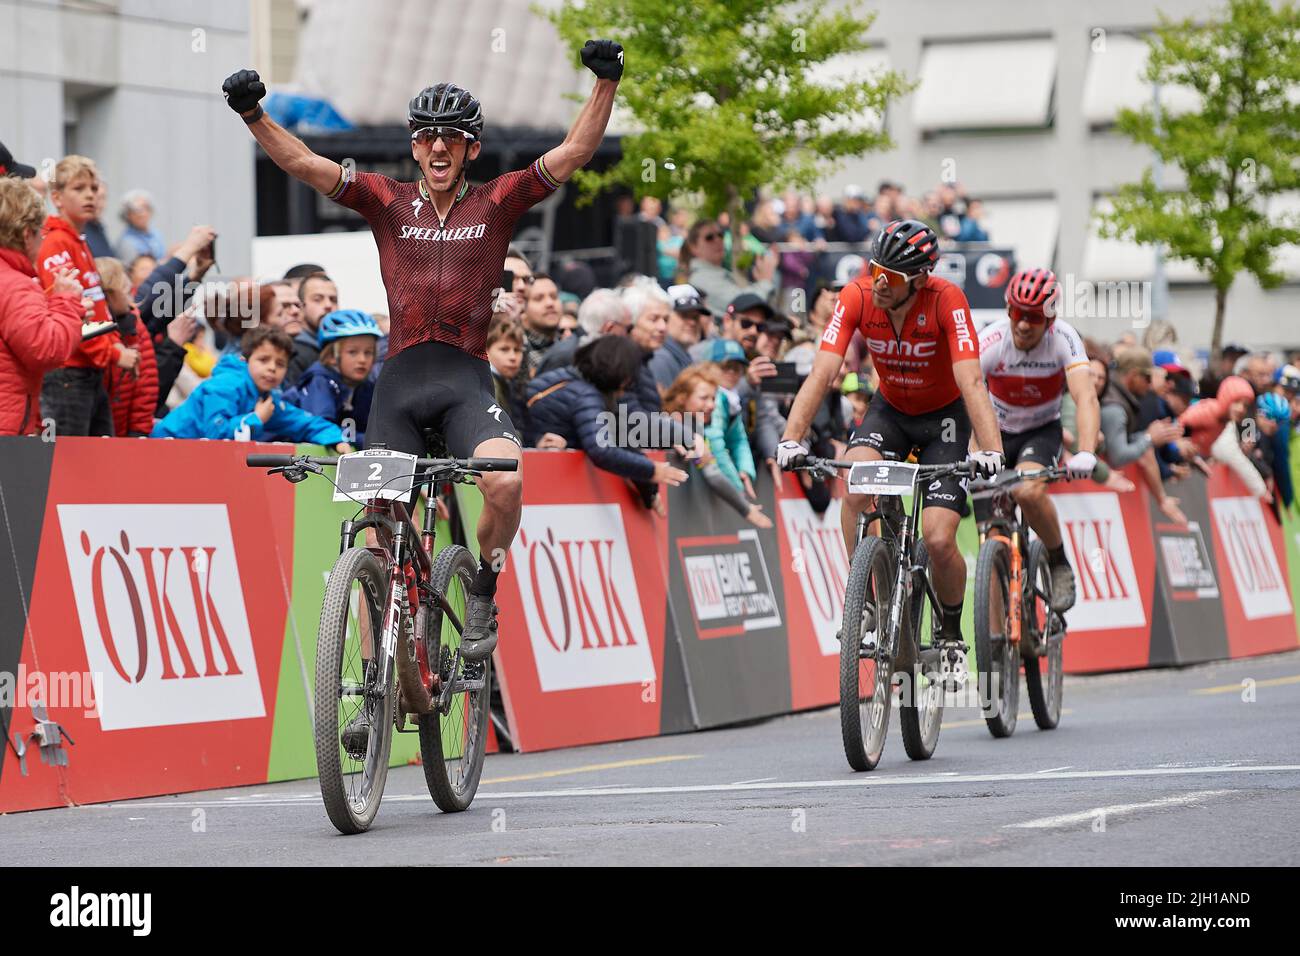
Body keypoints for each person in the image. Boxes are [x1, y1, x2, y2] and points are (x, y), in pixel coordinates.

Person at [222, 36, 623, 667]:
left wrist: (606, 83)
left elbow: (573, 153)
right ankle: (364, 682)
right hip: (400, 385)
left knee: (505, 483)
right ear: (413, 145)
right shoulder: (386, 200)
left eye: (452, 136)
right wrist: (254, 115)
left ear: (471, 149)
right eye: (427, 135)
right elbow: (303, 162)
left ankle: (483, 593)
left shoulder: (498, 201)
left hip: (464, 380)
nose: (438, 146)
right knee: (373, 535)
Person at [777, 219, 1005, 667]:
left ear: (919, 280)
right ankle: (865, 599)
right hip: (891, 411)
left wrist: (991, 449)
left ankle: (949, 627)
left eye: (891, 276)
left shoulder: (946, 300)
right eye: (874, 268)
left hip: (944, 419)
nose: (879, 282)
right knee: (856, 486)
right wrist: (791, 438)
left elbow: (971, 380)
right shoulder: (857, 295)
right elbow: (823, 372)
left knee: (939, 539)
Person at [977, 269, 1102, 611]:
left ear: (1050, 318)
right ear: (1007, 311)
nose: (1022, 324)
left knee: (1027, 491)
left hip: (1040, 431)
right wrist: (975, 451)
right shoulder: (991, 340)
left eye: (1032, 317)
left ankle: (1058, 560)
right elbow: (965, 396)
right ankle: (998, 644)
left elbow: (1086, 397)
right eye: (1017, 313)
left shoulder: (1064, 338)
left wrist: (1087, 452)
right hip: (995, 432)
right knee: (991, 540)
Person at [525, 335, 687, 510]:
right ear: (621, 374)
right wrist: (652, 470)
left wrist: (648, 489)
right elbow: (602, 450)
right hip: (550, 489)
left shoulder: (563, 378)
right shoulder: (586, 395)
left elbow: (614, 434)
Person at [37, 155, 134, 437]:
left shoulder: (78, 241)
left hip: (88, 371)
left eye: (93, 188)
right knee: (67, 467)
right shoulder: (55, 242)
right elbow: (68, 312)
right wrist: (113, 351)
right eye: (79, 189)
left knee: (98, 464)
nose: (90, 195)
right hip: (68, 373)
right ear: (56, 197)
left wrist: (114, 345)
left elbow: (98, 308)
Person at [152, 326, 353, 449]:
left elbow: (301, 422)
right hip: (164, 449)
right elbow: (215, 435)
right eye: (264, 360)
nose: (272, 368)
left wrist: (337, 439)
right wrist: (255, 419)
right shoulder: (225, 385)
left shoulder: (266, 398)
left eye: (280, 364)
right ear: (245, 359)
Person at [0, 176, 83, 435]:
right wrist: (66, 302)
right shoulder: (15, 285)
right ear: (27, 235)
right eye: (41, 232)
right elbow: (46, 349)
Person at [663, 366, 772, 528]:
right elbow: (712, 474)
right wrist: (745, 509)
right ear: (682, 398)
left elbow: (711, 469)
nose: (712, 405)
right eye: (704, 398)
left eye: (713, 399)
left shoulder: (697, 430)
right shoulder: (668, 423)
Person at [286, 309, 380, 446]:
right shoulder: (320, 381)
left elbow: (370, 427)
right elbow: (322, 427)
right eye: (353, 352)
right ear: (331, 357)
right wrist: (366, 441)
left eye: (369, 352)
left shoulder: (366, 387)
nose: (362, 359)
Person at [96, 257, 160, 437]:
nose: (131, 297)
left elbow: (145, 388)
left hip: (124, 433)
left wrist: (137, 433)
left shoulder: (136, 327)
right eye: (125, 290)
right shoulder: (91, 330)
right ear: (108, 294)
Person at [681, 218, 777, 311]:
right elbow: (745, 305)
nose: (718, 240)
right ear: (694, 247)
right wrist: (765, 281)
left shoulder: (717, 272)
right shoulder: (700, 278)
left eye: (720, 235)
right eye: (709, 237)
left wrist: (761, 281)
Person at [649, 284, 709, 390]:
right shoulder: (660, 359)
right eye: (684, 315)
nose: (692, 323)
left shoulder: (678, 355)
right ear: (666, 317)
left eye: (695, 317)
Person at [287, 272, 338, 382]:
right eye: (318, 299)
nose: (328, 305)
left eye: (333, 300)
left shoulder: (341, 350)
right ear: (301, 306)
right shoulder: (291, 352)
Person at [519, 273, 564, 376]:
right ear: (522, 309)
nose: (550, 303)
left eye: (554, 296)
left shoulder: (571, 344)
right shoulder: (517, 351)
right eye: (538, 298)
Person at [115, 189, 166, 261]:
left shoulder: (156, 234)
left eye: (145, 208)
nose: (142, 213)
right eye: (136, 210)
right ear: (128, 215)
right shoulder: (127, 242)